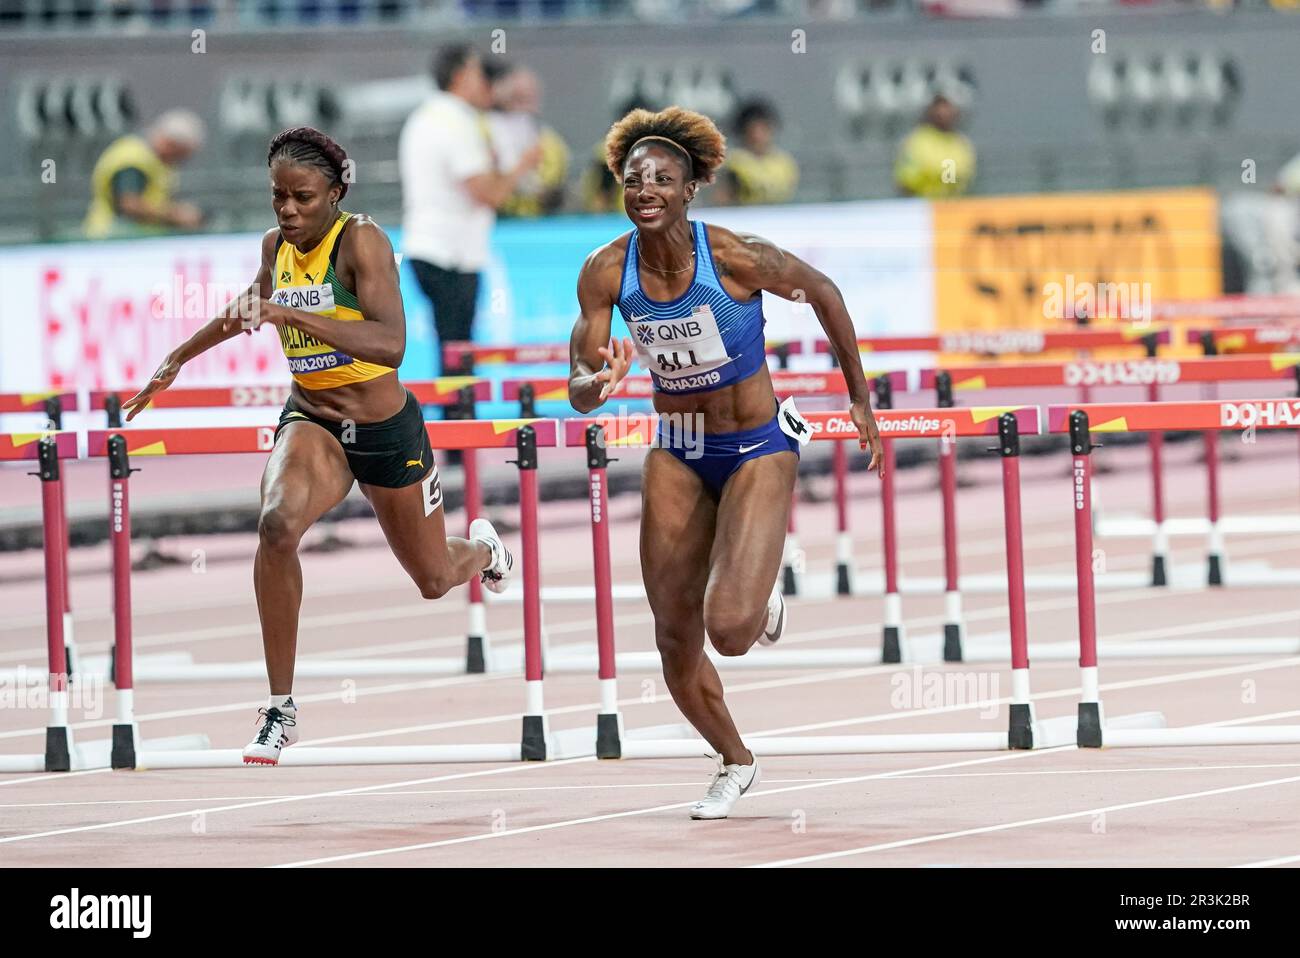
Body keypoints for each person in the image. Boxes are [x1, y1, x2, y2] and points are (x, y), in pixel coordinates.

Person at [121, 127, 515, 766]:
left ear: (335, 192)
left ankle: (482, 550)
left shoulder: (362, 241)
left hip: (386, 431)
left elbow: (391, 345)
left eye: (302, 197)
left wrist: (295, 316)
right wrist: (176, 359)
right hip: (315, 419)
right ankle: (280, 707)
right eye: (278, 196)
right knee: (276, 525)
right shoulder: (276, 245)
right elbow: (251, 306)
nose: (288, 210)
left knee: (434, 578)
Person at [567, 107, 883, 820]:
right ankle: (735, 760)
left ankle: (759, 578)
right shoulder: (605, 272)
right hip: (677, 446)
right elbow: (580, 388)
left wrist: (860, 399)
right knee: (674, 632)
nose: (646, 189)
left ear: (689, 191)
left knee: (731, 631)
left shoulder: (737, 256)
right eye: (634, 179)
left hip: (755, 444)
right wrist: (598, 383)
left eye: (662, 179)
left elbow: (824, 293)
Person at [399, 44, 541, 374]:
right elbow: (487, 193)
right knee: (458, 352)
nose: (486, 83)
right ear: (461, 76)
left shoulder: (427, 117)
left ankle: (457, 418)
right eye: (479, 74)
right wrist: (522, 164)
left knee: (453, 346)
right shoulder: (455, 121)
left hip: (430, 246)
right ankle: (459, 422)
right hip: (450, 254)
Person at [83, 109, 207, 239]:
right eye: (180, 154)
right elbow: (130, 204)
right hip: (115, 239)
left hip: (134, 239)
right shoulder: (133, 158)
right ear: (170, 143)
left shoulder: (152, 160)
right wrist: (176, 215)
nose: (180, 161)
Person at [487, 64, 570, 218]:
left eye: (528, 99)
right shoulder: (484, 134)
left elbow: (559, 194)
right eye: (516, 99)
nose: (522, 108)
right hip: (497, 224)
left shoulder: (552, 144)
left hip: (538, 226)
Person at [717, 99, 799, 206]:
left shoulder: (785, 163)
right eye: (753, 130)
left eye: (763, 129)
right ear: (744, 132)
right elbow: (722, 199)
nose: (758, 136)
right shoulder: (734, 163)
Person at [893, 94, 976, 198]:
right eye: (939, 108)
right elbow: (906, 180)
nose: (943, 113)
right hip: (921, 206)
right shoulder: (917, 141)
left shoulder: (960, 144)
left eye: (947, 108)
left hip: (952, 207)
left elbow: (958, 177)